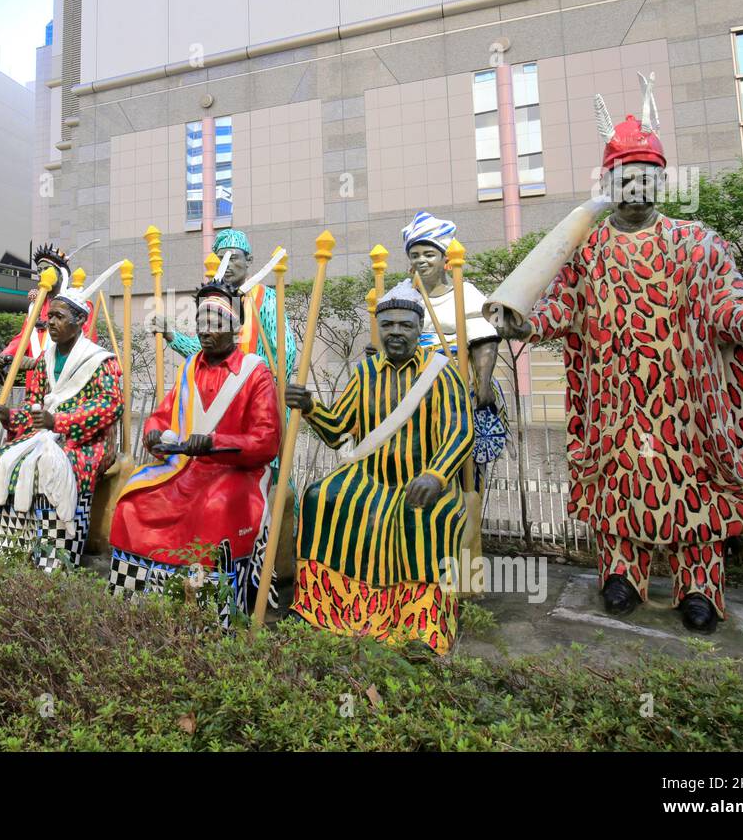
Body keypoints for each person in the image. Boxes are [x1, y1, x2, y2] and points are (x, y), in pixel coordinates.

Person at [493, 73, 743, 633]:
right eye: (624, 178)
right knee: (621, 487)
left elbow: (727, 301)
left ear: (660, 182)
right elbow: (564, 308)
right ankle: (620, 576)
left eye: (644, 177)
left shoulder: (696, 242)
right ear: (609, 183)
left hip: (687, 405)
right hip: (618, 402)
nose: (634, 187)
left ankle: (699, 588)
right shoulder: (590, 248)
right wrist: (525, 323)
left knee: (692, 492)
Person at [284, 280, 474, 654]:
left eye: (405, 325)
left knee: (426, 517)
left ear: (419, 328)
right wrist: (309, 406)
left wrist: (436, 476)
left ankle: (421, 626)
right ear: (379, 328)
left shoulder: (443, 373)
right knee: (319, 497)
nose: (397, 332)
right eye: (388, 325)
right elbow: (339, 430)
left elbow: (459, 431)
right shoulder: (366, 373)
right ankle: (320, 607)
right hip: (368, 475)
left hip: (421, 477)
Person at [108, 279, 281, 619]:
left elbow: (266, 440)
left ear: (234, 327)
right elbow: (162, 413)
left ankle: (211, 607)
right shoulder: (189, 368)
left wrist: (217, 443)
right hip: (184, 467)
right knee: (132, 500)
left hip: (237, 471)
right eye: (201, 323)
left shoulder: (255, 374)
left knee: (215, 507)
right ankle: (134, 594)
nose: (206, 331)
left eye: (215, 324)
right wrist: (154, 434)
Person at [0, 282, 123, 571]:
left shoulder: (100, 361)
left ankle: (57, 554)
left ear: (80, 320)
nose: (51, 322)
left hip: (88, 441)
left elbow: (110, 405)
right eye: (50, 316)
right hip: (43, 435)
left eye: (59, 317)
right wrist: (9, 416)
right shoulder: (45, 360)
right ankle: (5, 546)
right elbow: (34, 405)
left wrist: (61, 421)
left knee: (52, 466)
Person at [402, 211, 509, 470]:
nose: (422, 261)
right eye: (415, 255)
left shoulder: (465, 292)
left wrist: (483, 384)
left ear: (444, 258)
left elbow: (485, 339)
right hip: (411, 388)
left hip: (457, 384)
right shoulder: (405, 294)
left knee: (460, 461)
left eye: (429, 254)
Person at [157, 229, 296, 377]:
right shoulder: (212, 300)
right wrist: (171, 335)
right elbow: (203, 349)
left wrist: (272, 388)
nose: (227, 264)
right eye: (222, 259)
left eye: (233, 258)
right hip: (218, 390)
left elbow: (285, 349)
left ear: (248, 260)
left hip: (255, 390)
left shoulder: (266, 297)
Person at [0, 243, 99, 389]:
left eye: (46, 269)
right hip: (35, 379)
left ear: (61, 272)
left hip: (64, 378)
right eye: (39, 270)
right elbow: (23, 337)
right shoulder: (35, 307)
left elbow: (86, 343)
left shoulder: (79, 305)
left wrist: (40, 361)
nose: (41, 274)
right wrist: (5, 354)